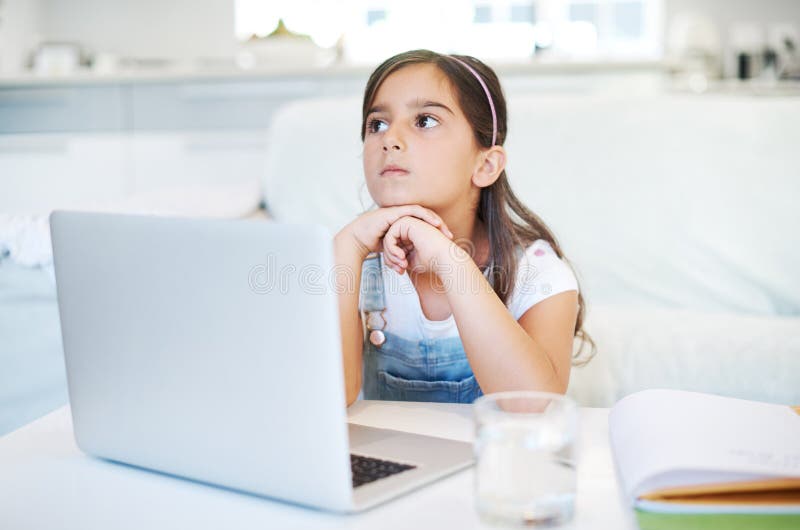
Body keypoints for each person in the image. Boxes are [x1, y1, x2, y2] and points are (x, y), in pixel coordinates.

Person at [333, 49, 594, 406]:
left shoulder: (538, 271)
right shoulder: (347, 259)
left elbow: (532, 404)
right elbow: (329, 398)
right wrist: (345, 247)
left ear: (486, 165)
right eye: (376, 124)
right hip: (392, 460)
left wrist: (446, 256)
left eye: (424, 120)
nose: (389, 139)